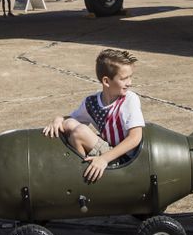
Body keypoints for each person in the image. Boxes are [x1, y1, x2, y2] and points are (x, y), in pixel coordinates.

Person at [43, 49, 144, 182]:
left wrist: (104, 159)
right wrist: (58, 120)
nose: (129, 82)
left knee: (80, 132)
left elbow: (135, 138)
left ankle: (82, 176)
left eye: (130, 77)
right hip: (107, 149)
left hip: (125, 160)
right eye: (124, 78)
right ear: (106, 81)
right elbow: (71, 120)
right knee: (69, 124)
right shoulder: (91, 102)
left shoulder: (129, 99)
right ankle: (85, 170)